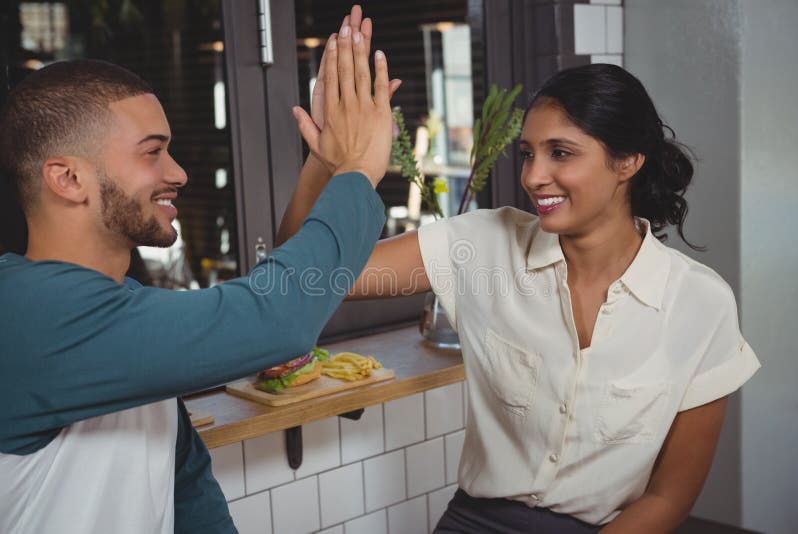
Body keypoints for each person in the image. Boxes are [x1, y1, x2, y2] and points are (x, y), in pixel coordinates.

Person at [277, 63, 761, 533]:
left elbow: (669, 497)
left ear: (628, 161)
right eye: (528, 153)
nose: (533, 176)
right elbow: (305, 276)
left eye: (561, 153)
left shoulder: (700, 303)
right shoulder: (482, 245)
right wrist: (330, 163)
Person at [0, 6, 393, 533]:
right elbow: (277, 319)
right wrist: (359, 168)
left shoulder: (119, 314)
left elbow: (187, 492)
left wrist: (326, 164)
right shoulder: (26, 315)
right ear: (67, 178)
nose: (179, 173)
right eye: (152, 153)